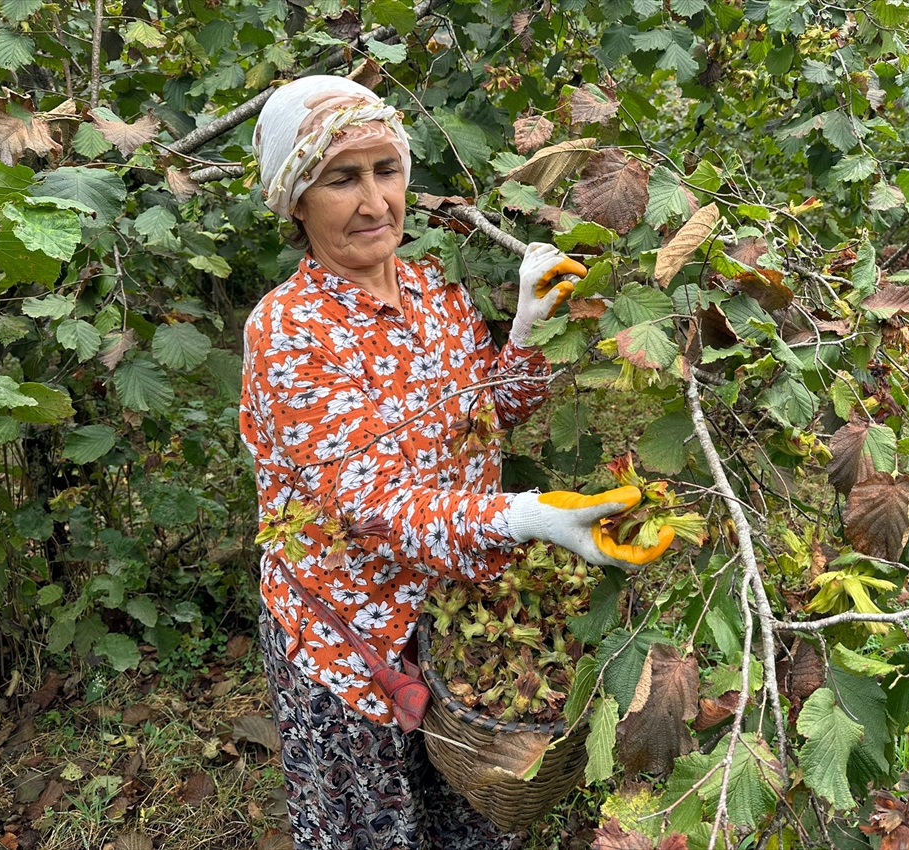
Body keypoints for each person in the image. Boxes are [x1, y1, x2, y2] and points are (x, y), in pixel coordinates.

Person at [240, 75, 674, 850]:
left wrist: (529, 331)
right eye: (342, 179)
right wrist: (524, 515)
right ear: (295, 199)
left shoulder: (431, 290)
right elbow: (366, 504)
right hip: (350, 643)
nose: (375, 201)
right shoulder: (290, 329)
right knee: (373, 828)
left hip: (453, 624)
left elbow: (487, 417)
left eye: (386, 169)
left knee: (468, 815)